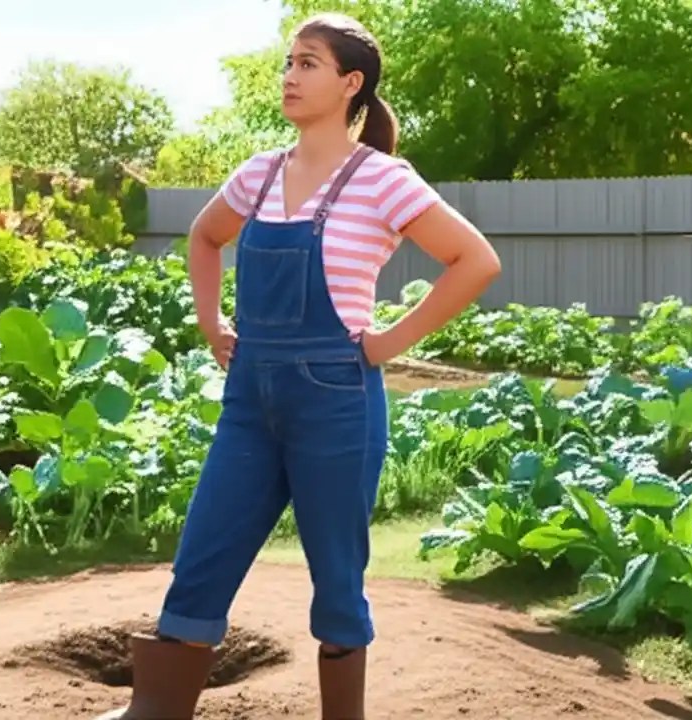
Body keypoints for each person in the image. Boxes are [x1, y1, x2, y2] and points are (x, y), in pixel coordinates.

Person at [96, 11, 502, 720]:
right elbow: (204, 237)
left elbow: (476, 260)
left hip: (336, 401)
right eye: (289, 61)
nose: (290, 75)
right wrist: (210, 323)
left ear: (351, 83)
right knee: (203, 553)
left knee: (337, 579)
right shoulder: (258, 175)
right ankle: (155, 711)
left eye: (308, 63)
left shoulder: (382, 180)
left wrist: (388, 343)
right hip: (250, 402)